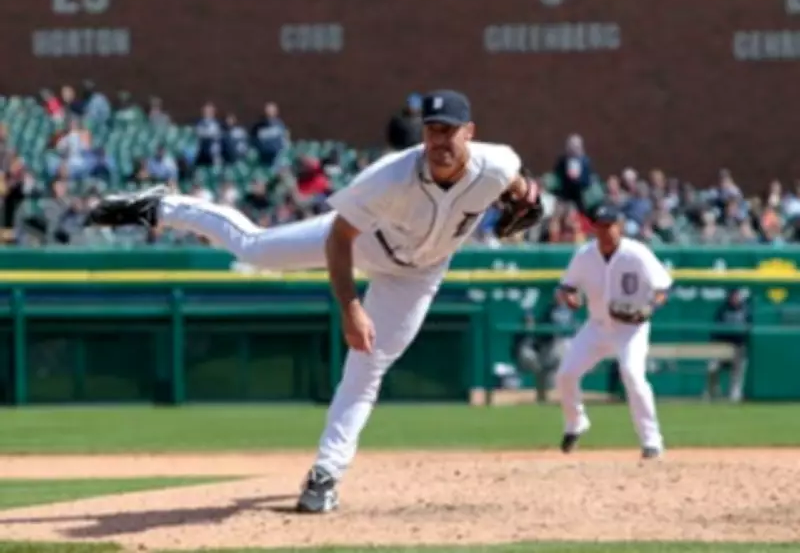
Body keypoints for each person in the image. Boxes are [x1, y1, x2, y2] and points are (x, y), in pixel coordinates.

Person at [84, 89, 544, 513]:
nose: (439, 139)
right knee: (254, 249)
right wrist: (350, 308)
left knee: (367, 367)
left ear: (470, 133)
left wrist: (529, 200)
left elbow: (523, 187)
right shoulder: (388, 178)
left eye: (449, 129)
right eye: (432, 129)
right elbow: (340, 237)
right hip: (362, 243)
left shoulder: (499, 164)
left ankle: (325, 475)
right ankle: (161, 207)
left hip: (418, 275)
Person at [554, 203, 672, 459]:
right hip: (597, 326)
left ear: (620, 227)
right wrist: (569, 297)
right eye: (601, 226)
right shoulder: (585, 255)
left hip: (631, 329)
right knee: (566, 374)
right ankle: (576, 422)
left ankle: (652, 441)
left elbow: (663, 287)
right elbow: (566, 286)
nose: (607, 231)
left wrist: (651, 306)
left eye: (611, 225)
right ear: (594, 228)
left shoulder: (637, 253)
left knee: (632, 375)